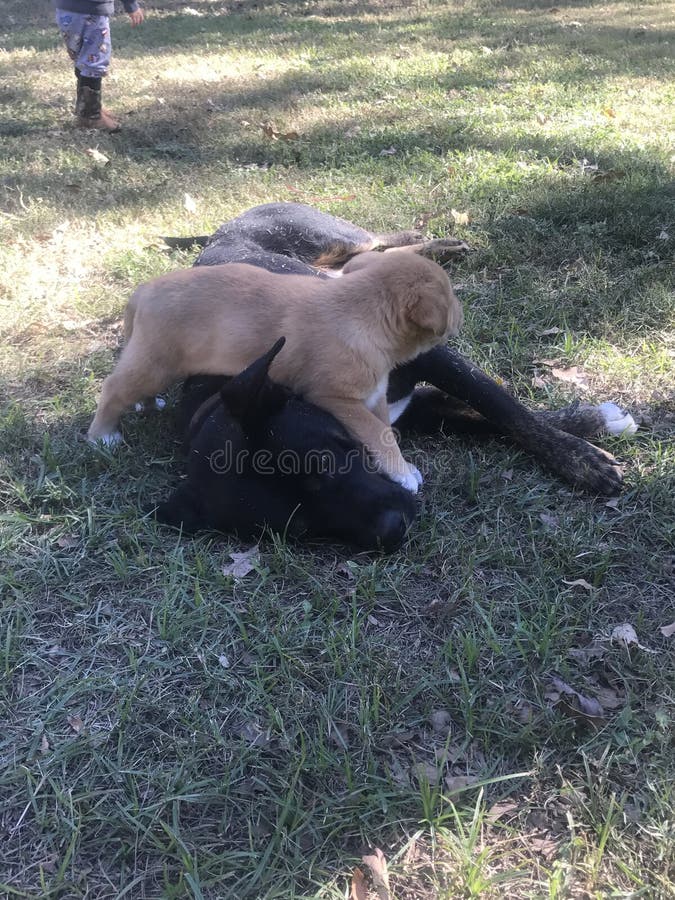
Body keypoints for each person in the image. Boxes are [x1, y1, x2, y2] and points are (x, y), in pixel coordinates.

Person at [53, 1, 145, 132]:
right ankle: (91, 116)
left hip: (65, 10)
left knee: (81, 57)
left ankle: (87, 106)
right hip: (92, 10)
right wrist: (131, 6)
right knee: (94, 60)